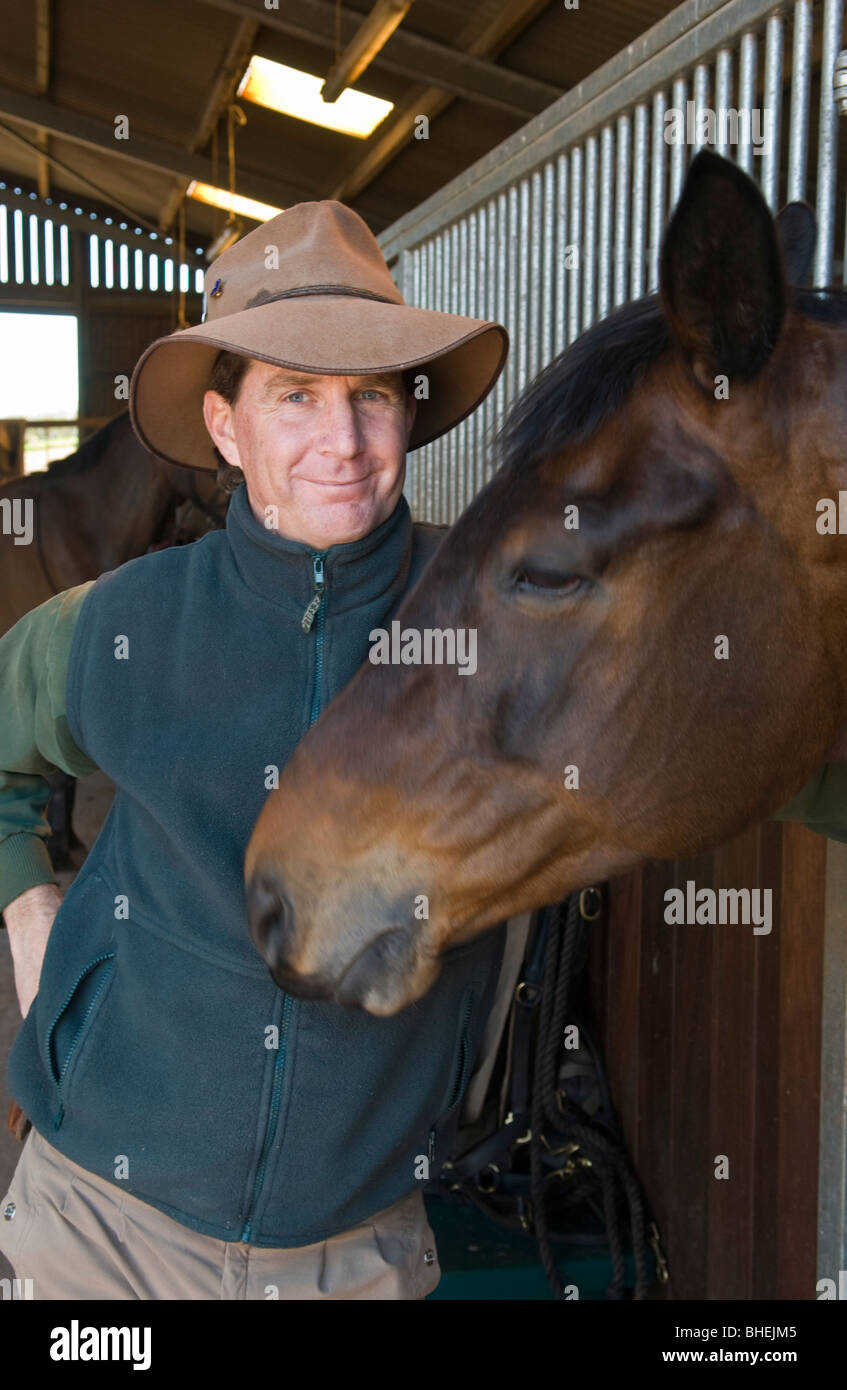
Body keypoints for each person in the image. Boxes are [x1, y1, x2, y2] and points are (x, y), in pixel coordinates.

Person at [0, 199, 509, 1299]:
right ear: (226, 429)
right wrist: (25, 900)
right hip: (98, 1226)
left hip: (353, 1246)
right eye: (295, 397)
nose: (342, 441)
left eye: (370, 396)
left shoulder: (497, 624)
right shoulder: (115, 624)